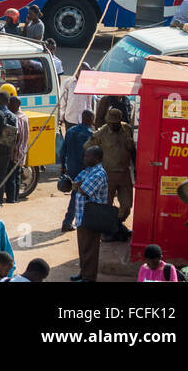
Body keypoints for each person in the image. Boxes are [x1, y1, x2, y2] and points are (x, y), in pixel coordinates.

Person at [86, 106, 137, 223]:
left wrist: (136, 169)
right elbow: (87, 148)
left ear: (120, 121)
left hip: (124, 174)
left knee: (127, 205)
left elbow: (132, 150)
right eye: (111, 123)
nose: (113, 125)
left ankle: (117, 224)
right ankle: (108, 229)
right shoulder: (101, 133)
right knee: (106, 205)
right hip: (108, 174)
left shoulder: (127, 129)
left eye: (116, 123)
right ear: (107, 121)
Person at [70, 146, 109, 282]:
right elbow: (75, 183)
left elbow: (83, 190)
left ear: (97, 159)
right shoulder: (89, 170)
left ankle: (89, 277)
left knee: (90, 249)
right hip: (82, 216)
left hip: (92, 217)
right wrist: (78, 185)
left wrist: (78, 186)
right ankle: (83, 273)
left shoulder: (99, 173)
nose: (85, 158)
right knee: (83, 248)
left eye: (88, 156)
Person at [60, 108, 95, 231]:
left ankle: (74, 220)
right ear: (91, 120)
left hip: (71, 168)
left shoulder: (70, 131)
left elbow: (62, 151)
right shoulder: (90, 134)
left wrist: (63, 167)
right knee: (78, 195)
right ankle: (68, 221)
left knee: (78, 194)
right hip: (83, 169)